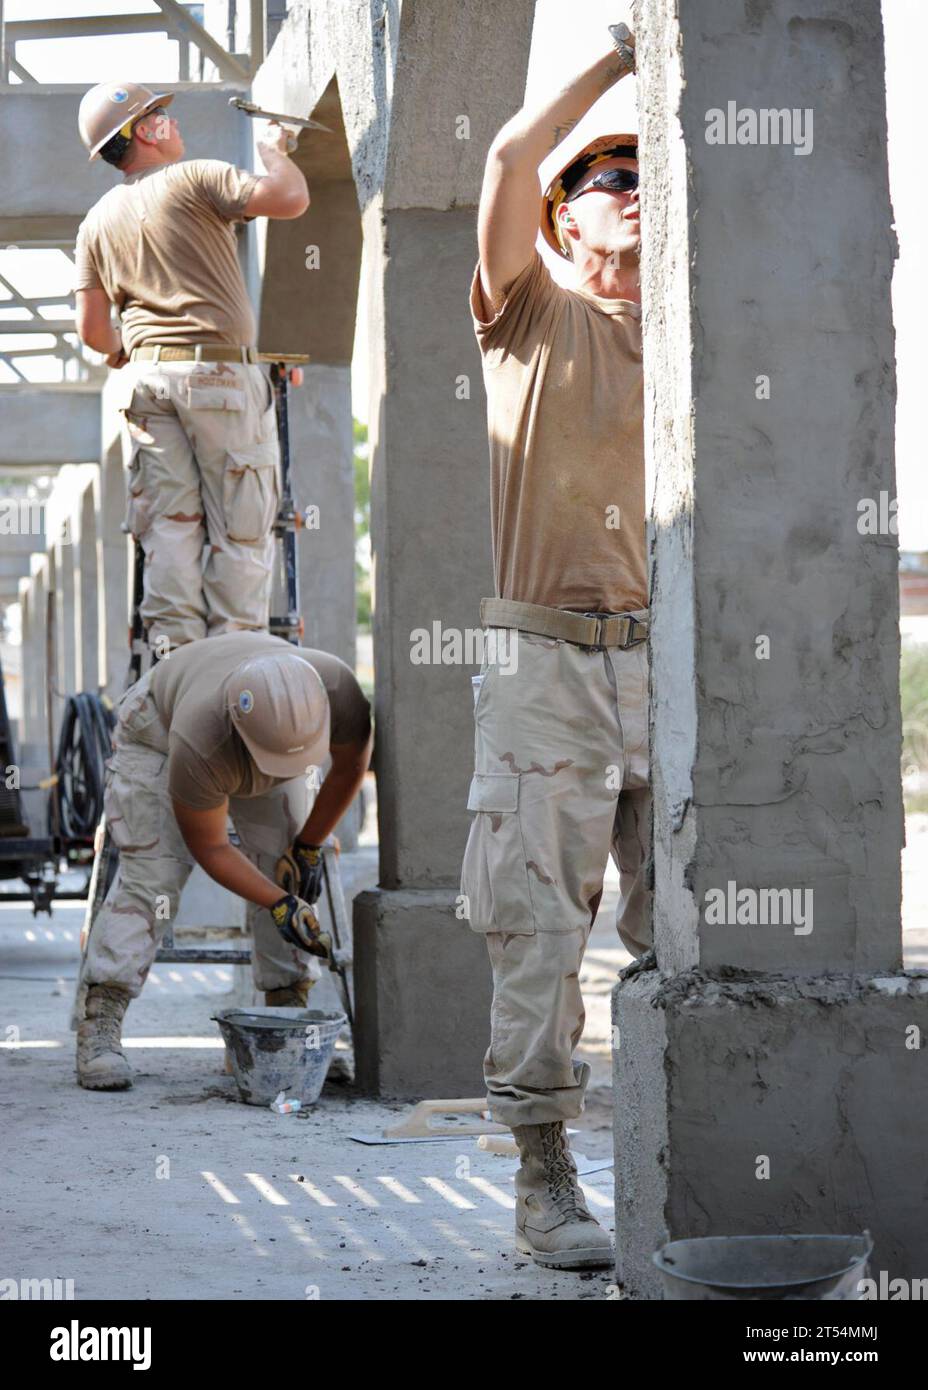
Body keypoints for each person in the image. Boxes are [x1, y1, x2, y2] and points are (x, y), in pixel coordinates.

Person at [461, 21, 648, 1269]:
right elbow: (506, 160)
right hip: (544, 666)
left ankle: (702, 1150)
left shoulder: (695, 341)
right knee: (539, 930)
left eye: (647, 180)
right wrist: (619, 61)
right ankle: (542, 1174)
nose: (631, 198)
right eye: (607, 182)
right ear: (562, 221)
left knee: (690, 923)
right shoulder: (524, 311)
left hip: (665, 660)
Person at [75, 632, 372, 1091]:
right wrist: (278, 903)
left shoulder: (337, 689)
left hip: (268, 734)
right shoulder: (202, 739)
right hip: (158, 732)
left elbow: (351, 766)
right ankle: (102, 1019)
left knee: (286, 863)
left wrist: (308, 846)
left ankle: (289, 1019)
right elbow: (210, 847)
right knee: (153, 875)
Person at [74, 81, 309, 651]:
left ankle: (175, 665)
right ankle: (235, 666)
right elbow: (291, 199)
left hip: (150, 388)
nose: (174, 124)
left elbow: (94, 332)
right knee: (240, 529)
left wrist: (133, 349)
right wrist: (275, 148)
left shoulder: (96, 223)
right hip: (220, 382)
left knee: (171, 532)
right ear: (146, 131)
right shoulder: (197, 177)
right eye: (163, 117)